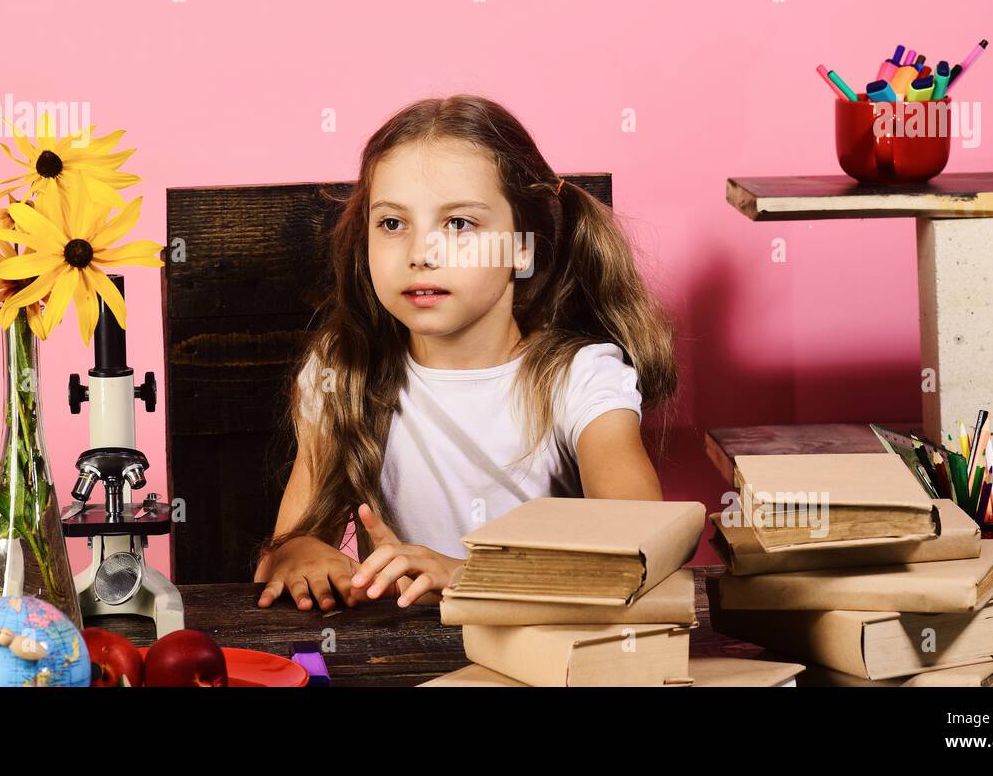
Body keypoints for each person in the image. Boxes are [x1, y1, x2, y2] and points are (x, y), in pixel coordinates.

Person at [253, 94, 677, 611]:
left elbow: (641, 542)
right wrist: (298, 553)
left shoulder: (580, 380)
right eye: (392, 224)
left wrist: (465, 573)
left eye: (459, 224)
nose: (420, 253)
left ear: (522, 248)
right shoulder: (344, 371)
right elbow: (287, 546)